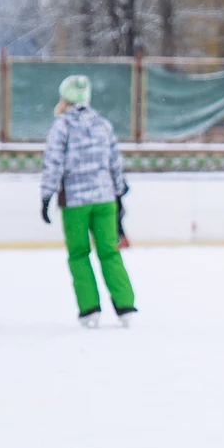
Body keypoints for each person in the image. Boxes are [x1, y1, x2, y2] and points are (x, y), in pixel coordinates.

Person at [40, 74, 137, 328]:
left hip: (75, 202)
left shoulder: (61, 127)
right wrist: (118, 193)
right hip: (105, 199)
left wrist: (46, 195)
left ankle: (89, 309)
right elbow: (115, 163)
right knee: (109, 252)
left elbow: (53, 164)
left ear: (65, 99)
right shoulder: (103, 125)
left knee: (79, 254)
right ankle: (125, 305)